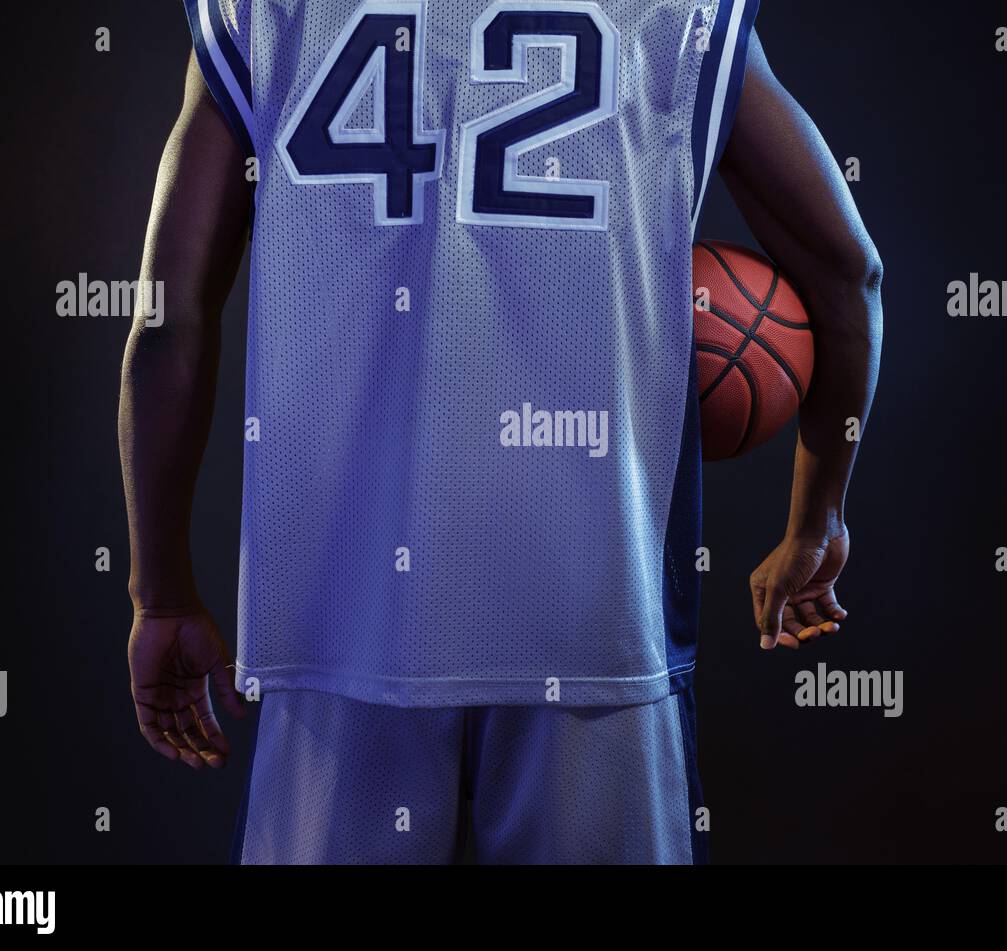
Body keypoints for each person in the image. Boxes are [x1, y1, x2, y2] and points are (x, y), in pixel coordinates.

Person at [121, 0, 882, 864]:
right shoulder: (680, 12)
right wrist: (819, 517)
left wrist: (162, 593)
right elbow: (849, 270)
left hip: (340, 626)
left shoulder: (262, 10)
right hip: (595, 621)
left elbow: (164, 320)